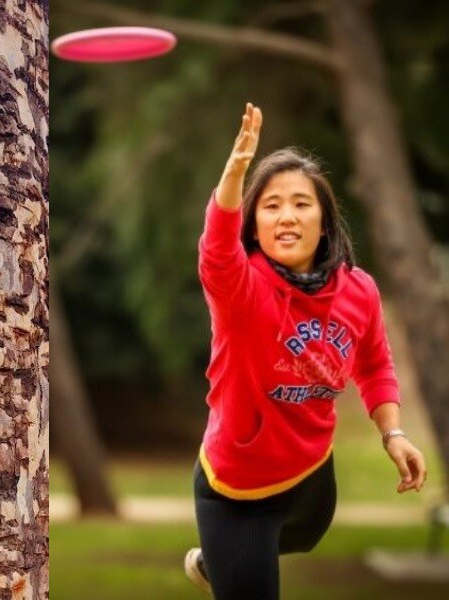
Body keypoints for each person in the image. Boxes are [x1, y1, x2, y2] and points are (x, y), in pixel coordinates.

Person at [183, 103, 427, 599]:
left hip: (312, 475)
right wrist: (234, 176)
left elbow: (375, 363)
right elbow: (216, 249)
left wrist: (393, 433)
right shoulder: (242, 289)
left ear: (324, 220)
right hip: (238, 486)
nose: (287, 215)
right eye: (271, 205)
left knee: (308, 535)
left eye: (301, 203)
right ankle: (223, 558)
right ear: (254, 225)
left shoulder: (358, 290)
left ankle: (227, 561)